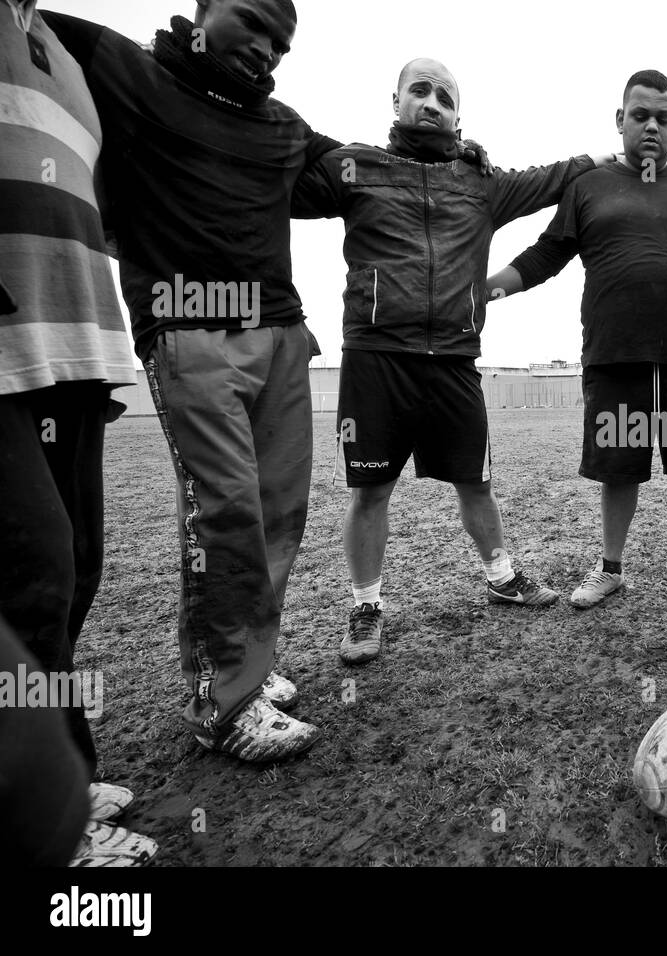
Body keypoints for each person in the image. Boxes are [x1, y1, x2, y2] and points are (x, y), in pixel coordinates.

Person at [39, 1, 479, 762]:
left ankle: (244, 667)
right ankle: (225, 704)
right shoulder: (123, 68)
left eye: (282, 41)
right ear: (204, 10)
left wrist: (458, 161)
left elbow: (376, 172)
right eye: (252, 22)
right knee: (225, 514)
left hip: (281, 329)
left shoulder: (284, 126)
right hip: (186, 326)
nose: (266, 49)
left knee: (277, 513)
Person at [293, 58, 620, 664]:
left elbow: (553, 176)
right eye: (420, 90)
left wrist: (614, 156)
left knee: (476, 479)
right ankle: (365, 607)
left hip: (455, 359)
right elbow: (275, 189)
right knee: (371, 488)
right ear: (394, 101)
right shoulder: (354, 166)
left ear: (459, 116)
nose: (432, 102)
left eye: (445, 96)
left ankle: (502, 577)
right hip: (376, 355)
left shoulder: (482, 184)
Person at [487, 71, 667, 609]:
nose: (651, 127)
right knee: (619, 465)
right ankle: (610, 568)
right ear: (620, 120)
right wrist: (487, 290)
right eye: (640, 116)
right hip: (616, 355)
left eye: (663, 118)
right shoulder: (587, 188)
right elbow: (545, 257)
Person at [0, 0, 155, 863]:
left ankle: (57, 768)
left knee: (72, 571)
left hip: (75, 340)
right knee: (30, 574)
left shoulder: (63, 47)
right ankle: (40, 830)